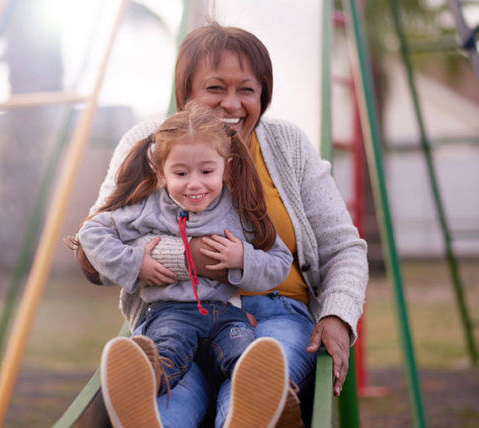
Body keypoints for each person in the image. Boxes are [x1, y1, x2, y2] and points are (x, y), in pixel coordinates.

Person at [83, 22, 368, 428]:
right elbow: (92, 244)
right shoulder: (153, 143)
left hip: (278, 313)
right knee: (171, 392)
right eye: (215, 88)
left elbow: (344, 248)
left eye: (246, 90)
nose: (231, 104)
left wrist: (338, 315)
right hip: (177, 310)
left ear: (262, 95)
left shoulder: (288, 145)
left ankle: (246, 416)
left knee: (256, 379)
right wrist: (181, 259)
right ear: (187, 94)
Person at [74, 101, 294, 426]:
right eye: (180, 173)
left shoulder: (238, 212)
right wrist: (135, 264)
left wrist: (243, 259)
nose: (194, 184)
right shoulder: (148, 208)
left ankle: (268, 405)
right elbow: (91, 232)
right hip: (171, 313)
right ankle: (139, 391)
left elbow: (280, 261)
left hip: (226, 315)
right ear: (161, 173)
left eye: (207, 172)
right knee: (167, 352)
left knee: (246, 356)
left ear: (226, 168)